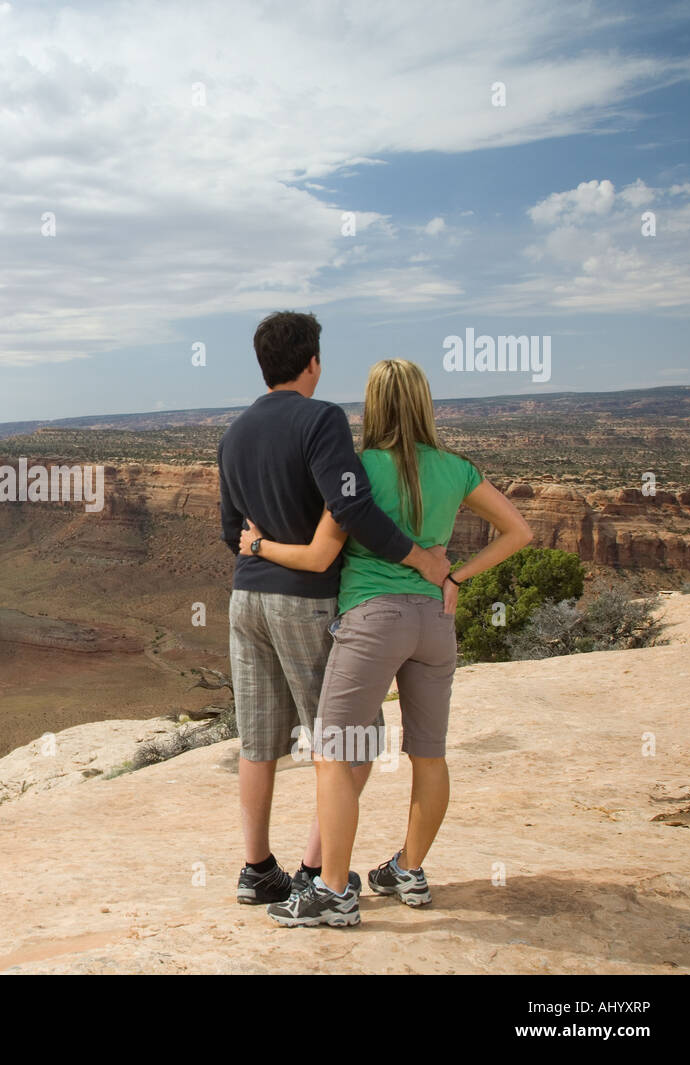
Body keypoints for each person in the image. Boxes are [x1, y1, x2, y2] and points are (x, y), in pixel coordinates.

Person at [240, 358, 532, 927]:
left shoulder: (359, 469)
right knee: (429, 753)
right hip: (434, 623)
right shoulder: (457, 468)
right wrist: (455, 577)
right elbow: (520, 532)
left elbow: (322, 551)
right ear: (425, 402)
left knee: (333, 752)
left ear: (373, 405)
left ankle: (333, 892)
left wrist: (257, 546)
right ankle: (409, 870)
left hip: (373, 621)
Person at [219, 314, 451, 906]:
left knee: (258, 739)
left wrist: (261, 547)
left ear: (262, 364)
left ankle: (255, 869)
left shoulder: (234, 432)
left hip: (247, 598)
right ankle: (314, 871)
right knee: (349, 738)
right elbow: (355, 511)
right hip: (306, 603)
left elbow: (231, 532)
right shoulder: (321, 419)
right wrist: (420, 559)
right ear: (313, 362)